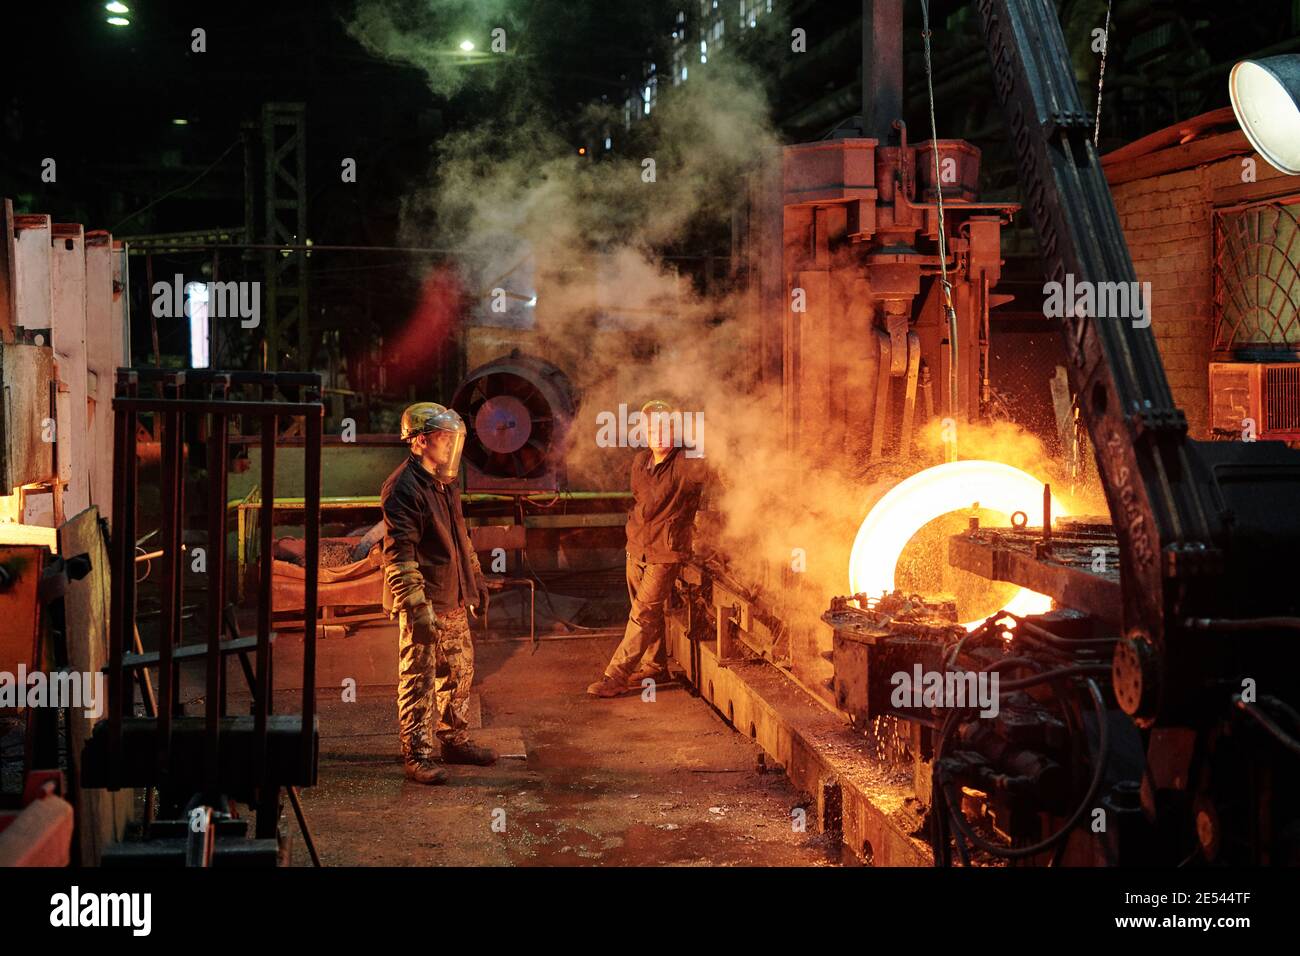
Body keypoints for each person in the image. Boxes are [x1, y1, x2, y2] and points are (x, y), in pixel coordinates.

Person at [382, 401, 497, 784]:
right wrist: (416, 608)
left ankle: (454, 739)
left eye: (452, 439)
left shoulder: (444, 483)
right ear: (418, 442)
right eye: (442, 439)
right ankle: (417, 754)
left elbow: (461, 538)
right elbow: (399, 554)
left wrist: (475, 579)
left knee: (459, 671)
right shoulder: (403, 488)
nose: (449, 446)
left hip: (453, 595)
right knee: (419, 678)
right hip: (426, 600)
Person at [587, 399, 709, 698]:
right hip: (638, 546)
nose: (659, 434)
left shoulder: (685, 463)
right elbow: (639, 499)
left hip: (666, 552)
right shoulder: (640, 462)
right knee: (644, 613)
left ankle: (615, 676)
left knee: (643, 614)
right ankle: (654, 667)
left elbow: (704, 462)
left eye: (666, 427)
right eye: (653, 428)